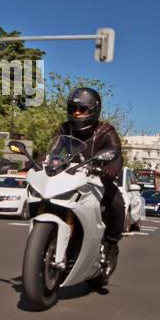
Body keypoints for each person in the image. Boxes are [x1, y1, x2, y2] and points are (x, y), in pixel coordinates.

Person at [52, 87, 124, 254]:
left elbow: (116, 153)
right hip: (67, 180)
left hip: (96, 181)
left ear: (94, 110)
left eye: (82, 109)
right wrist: (33, 164)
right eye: (73, 109)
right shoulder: (64, 129)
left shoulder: (106, 131)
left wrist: (111, 168)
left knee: (117, 202)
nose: (76, 113)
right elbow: (53, 151)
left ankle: (111, 244)